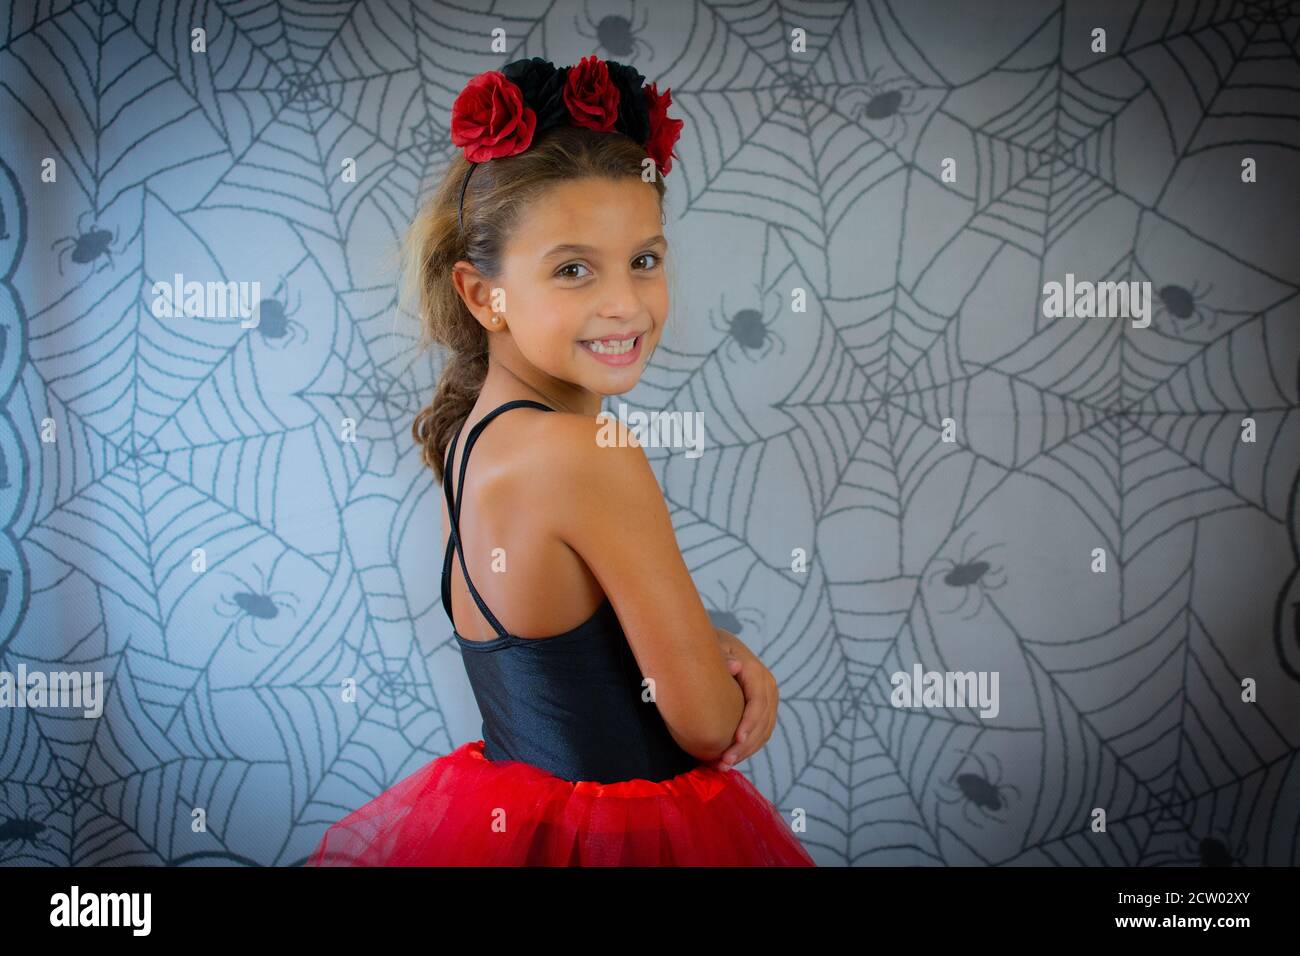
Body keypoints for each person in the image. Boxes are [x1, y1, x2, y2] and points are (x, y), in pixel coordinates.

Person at [307, 55, 815, 866]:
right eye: (573, 269)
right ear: (483, 295)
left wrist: (702, 647)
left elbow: (579, 649)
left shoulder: (469, 439)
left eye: (644, 260)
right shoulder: (588, 453)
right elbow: (709, 725)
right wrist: (732, 671)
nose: (624, 303)